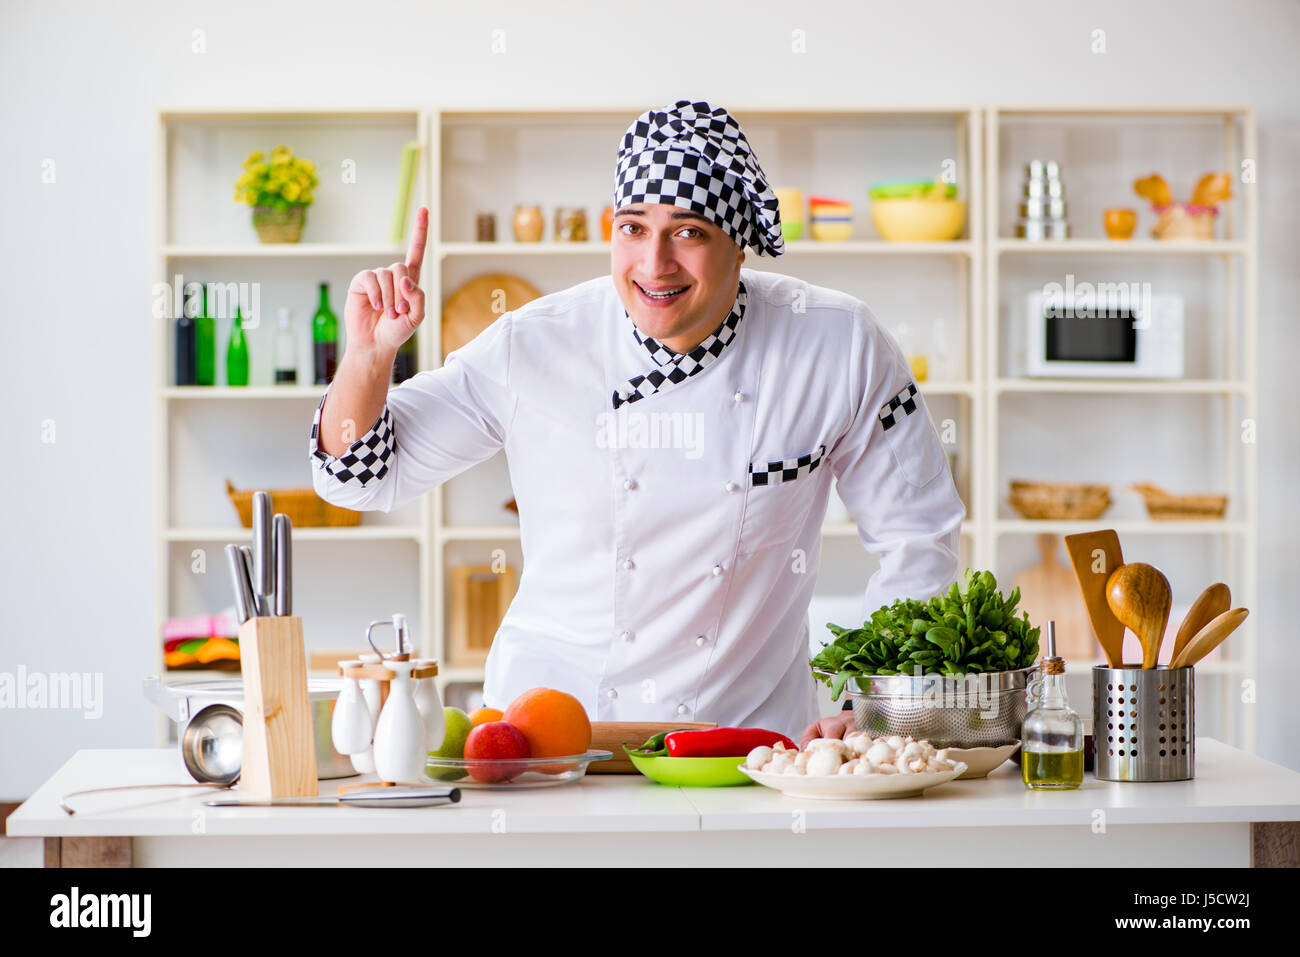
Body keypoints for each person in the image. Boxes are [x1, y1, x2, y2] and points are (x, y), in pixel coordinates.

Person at [309, 99, 964, 742]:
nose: (655, 264)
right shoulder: (533, 344)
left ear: (739, 246)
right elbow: (355, 477)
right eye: (633, 228)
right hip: (547, 744)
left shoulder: (836, 344)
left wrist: (871, 702)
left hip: (747, 751)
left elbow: (919, 535)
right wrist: (367, 357)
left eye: (689, 231)